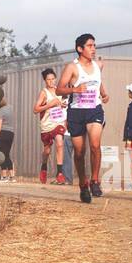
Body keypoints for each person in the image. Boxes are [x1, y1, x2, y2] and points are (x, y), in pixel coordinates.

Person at [59, 33, 109, 202]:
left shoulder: (99, 65)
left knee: (95, 145)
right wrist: (74, 90)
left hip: (94, 109)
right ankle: (83, 184)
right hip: (76, 112)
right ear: (80, 49)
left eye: (94, 45)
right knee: (79, 152)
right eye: (89, 46)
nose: (93, 49)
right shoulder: (72, 68)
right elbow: (59, 89)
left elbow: (98, 80)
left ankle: (95, 180)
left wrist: (103, 93)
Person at [34, 68, 68, 184]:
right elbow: (35, 109)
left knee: (59, 143)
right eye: (48, 79)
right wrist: (49, 105)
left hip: (58, 122)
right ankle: (44, 167)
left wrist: (62, 105)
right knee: (47, 151)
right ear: (45, 81)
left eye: (53, 79)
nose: (51, 81)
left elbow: (63, 104)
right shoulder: (44, 93)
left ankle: (59, 173)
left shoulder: (59, 91)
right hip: (46, 124)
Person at [0, 99, 15, 182]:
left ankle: (4, 176)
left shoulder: (1, 110)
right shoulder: (10, 108)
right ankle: (12, 176)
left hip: (3, 133)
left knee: (2, 155)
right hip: (11, 133)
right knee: (7, 154)